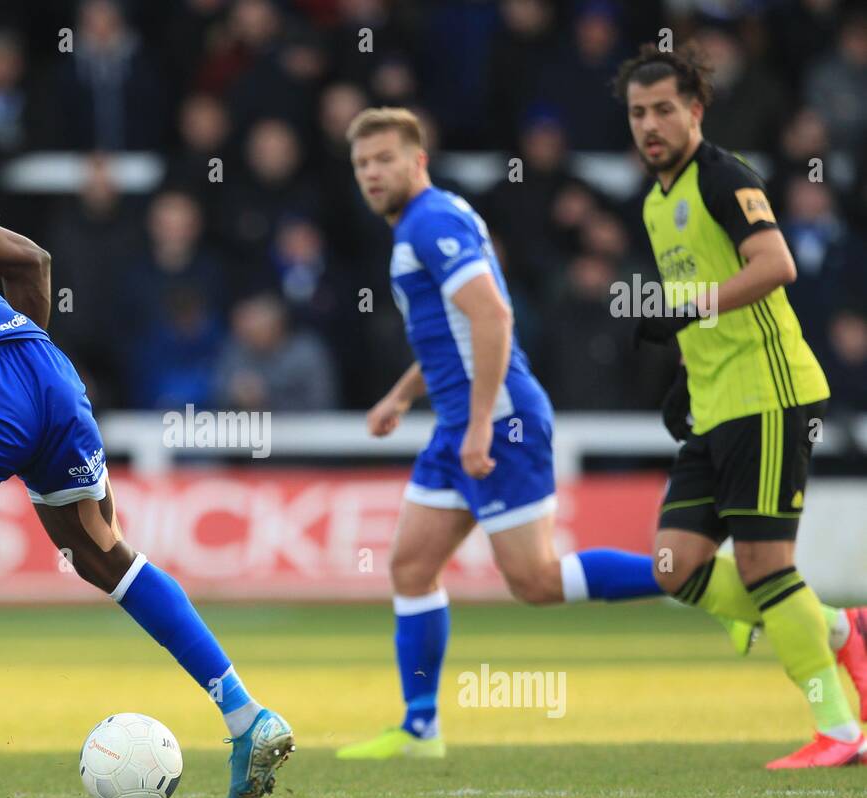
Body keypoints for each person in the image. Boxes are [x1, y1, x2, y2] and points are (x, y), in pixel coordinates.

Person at [334, 106, 867, 762]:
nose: (372, 173)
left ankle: (764, 605)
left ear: (418, 160)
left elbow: (494, 318)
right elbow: (452, 332)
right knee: (411, 567)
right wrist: (401, 394)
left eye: (385, 159)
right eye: (362, 163)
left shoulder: (431, 223)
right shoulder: (429, 220)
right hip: (459, 422)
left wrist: (478, 426)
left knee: (535, 581)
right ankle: (420, 727)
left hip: (499, 422)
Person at [617, 44, 867, 768]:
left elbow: (775, 265)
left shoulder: (725, 178)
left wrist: (687, 310)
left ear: (695, 110)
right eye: (638, 113)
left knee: (764, 564)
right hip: (718, 400)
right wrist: (686, 382)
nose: (650, 124)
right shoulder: (656, 204)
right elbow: (712, 305)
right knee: (674, 565)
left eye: (664, 108)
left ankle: (841, 729)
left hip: (769, 392)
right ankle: (840, 631)